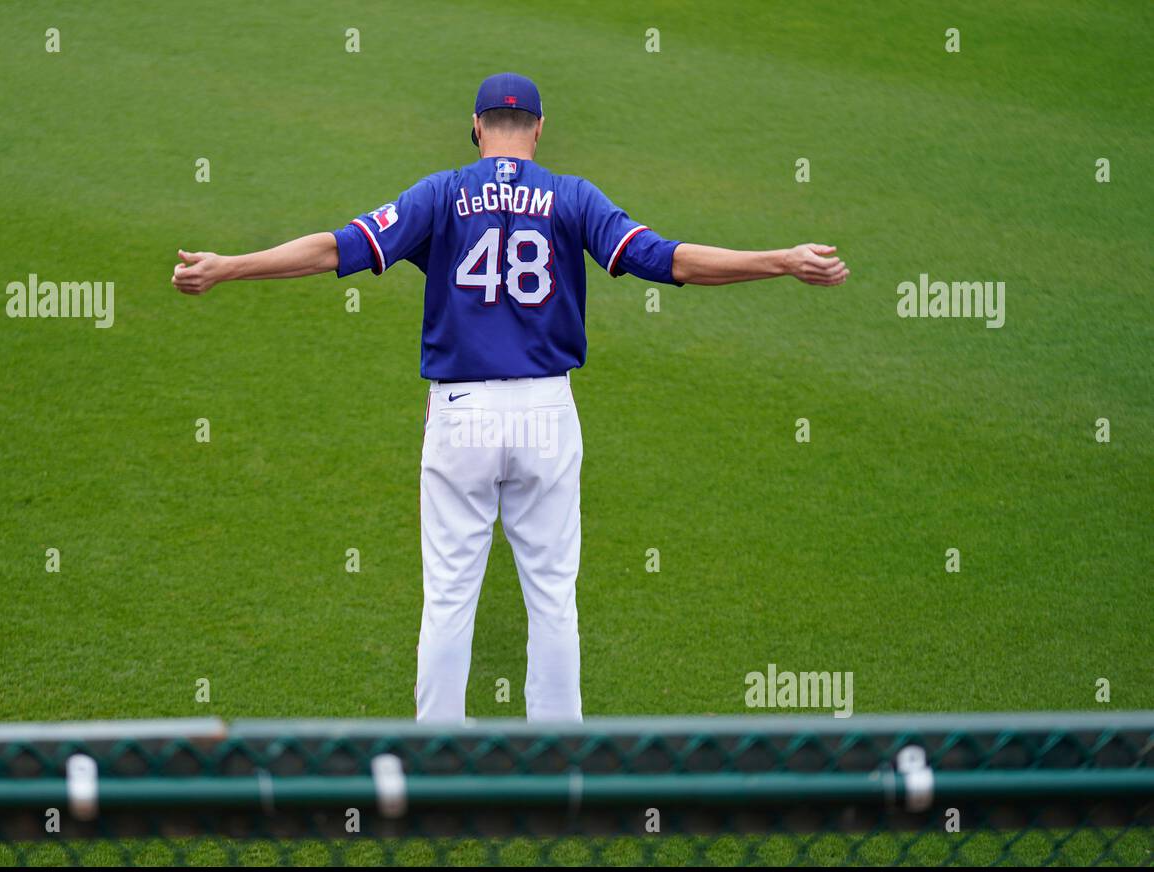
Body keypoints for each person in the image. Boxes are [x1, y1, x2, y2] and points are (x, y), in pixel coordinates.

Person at [171, 72, 849, 723]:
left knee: (449, 596)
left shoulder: (439, 195)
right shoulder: (572, 196)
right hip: (548, 414)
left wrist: (229, 267)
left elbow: (337, 248)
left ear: (475, 127)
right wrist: (782, 259)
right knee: (552, 596)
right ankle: (558, 760)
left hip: (460, 413)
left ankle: (438, 758)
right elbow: (667, 260)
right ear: (539, 129)